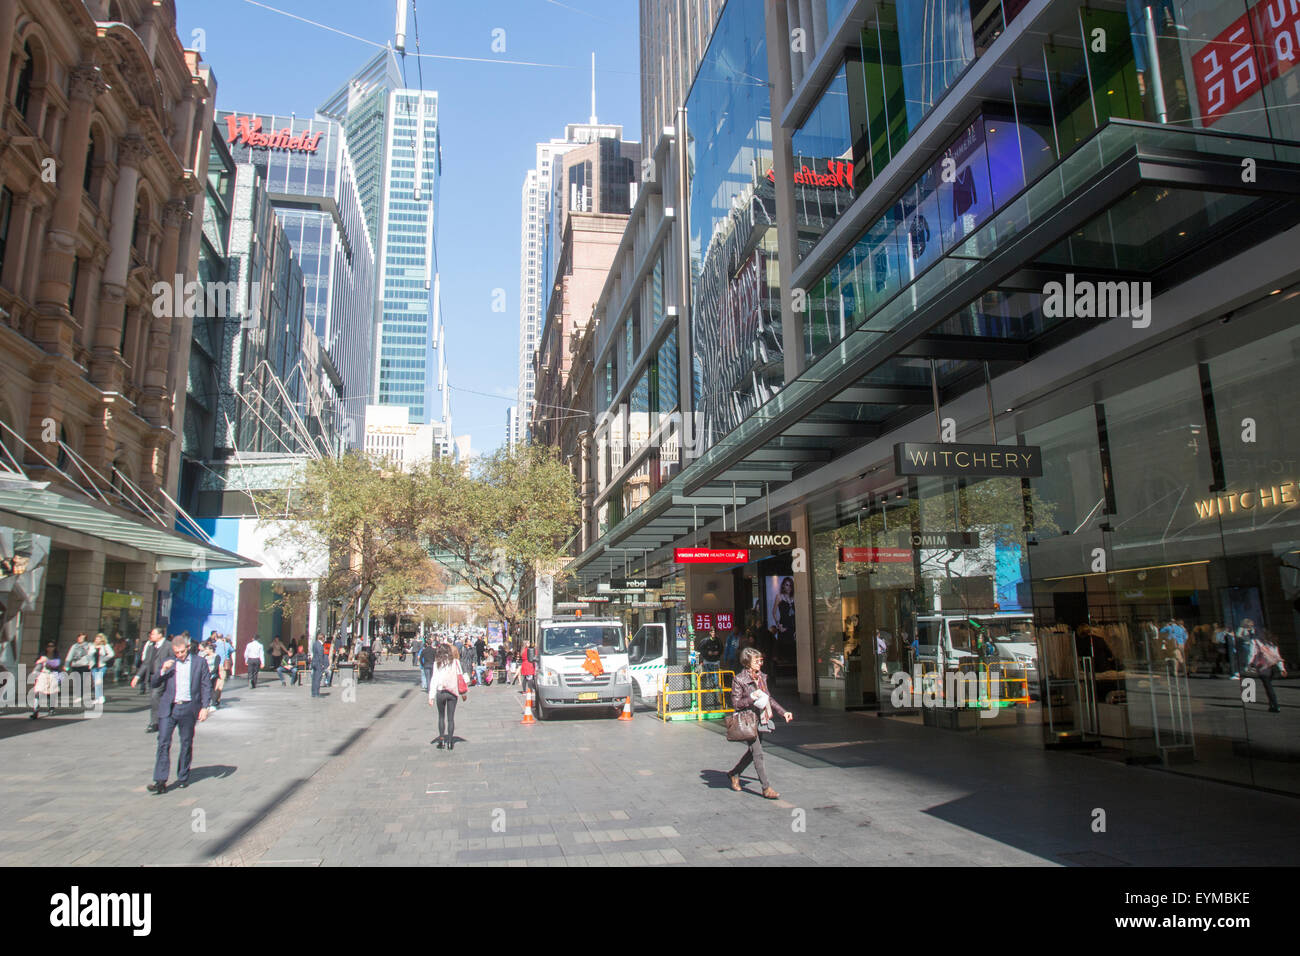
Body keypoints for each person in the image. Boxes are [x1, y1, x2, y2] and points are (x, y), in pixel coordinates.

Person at [147, 634, 213, 794]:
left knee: (186, 742)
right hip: (169, 708)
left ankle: (183, 776)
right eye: (176, 653)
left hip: (189, 708)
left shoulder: (199, 663)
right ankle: (160, 780)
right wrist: (162, 670)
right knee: (163, 742)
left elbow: (206, 685)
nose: (179, 655)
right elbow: (154, 683)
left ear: (188, 648)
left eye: (182, 652)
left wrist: (205, 707)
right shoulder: (168, 663)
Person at [726, 647, 792, 799]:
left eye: (761, 660)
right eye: (757, 661)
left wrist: (783, 712)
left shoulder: (761, 677)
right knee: (758, 753)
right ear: (747, 662)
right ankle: (766, 788)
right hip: (748, 719)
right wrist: (752, 697)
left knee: (753, 752)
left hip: (761, 718)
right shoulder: (739, 679)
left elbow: (768, 698)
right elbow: (736, 703)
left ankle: (734, 773)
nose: (760, 663)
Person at [427, 643, 468, 750]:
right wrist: (463, 693)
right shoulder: (455, 662)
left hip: (441, 692)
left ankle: (441, 740)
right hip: (452, 692)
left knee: (441, 716)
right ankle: (450, 741)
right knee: (451, 718)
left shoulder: (437, 664)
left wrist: (431, 696)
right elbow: (461, 677)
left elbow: (434, 680)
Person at [131, 628, 171, 731]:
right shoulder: (150, 646)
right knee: (154, 700)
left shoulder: (168, 645)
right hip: (151, 677)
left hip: (163, 677)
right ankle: (157, 721)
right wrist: (137, 676)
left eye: (153, 634)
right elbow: (146, 663)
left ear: (160, 635)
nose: (151, 636)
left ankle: (155, 723)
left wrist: (166, 669)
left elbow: (173, 660)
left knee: (155, 697)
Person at [29, 642, 61, 719]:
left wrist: (47, 661)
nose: (50, 648)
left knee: (51, 693)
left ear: (54, 647)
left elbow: (56, 664)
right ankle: (35, 711)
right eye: (49, 646)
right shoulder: (42, 655)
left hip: (53, 675)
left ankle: (51, 708)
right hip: (43, 675)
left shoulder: (56, 655)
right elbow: (37, 663)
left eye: (52, 646)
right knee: (38, 692)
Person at [698, 628, 723, 709]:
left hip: (715, 662)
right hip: (707, 662)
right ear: (709, 632)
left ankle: (717, 700)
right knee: (708, 679)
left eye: (715, 632)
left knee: (716, 681)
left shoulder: (718, 641)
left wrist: (717, 653)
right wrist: (707, 653)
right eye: (712, 632)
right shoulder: (705, 641)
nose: (713, 633)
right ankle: (709, 700)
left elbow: (721, 649)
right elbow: (700, 649)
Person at [65, 633, 91, 704]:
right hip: (75, 665)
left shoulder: (89, 646)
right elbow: (69, 655)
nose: (80, 639)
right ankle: (78, 695)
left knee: (83, 681)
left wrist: (91, 663)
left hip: (85, 665)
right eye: (79, 637)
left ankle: (81, 695)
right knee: (77, 681)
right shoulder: (74, 646)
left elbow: (91, 655)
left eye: (82, 638)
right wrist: (66, 665)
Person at [88, 633, 114, 704]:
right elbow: (89, 655)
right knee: (96, 683)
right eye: (96, 639)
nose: (96, 640)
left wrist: (104, 659)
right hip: (94, 666)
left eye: (98, 639)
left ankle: (101, 697)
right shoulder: (92, 646)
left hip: (102, 666)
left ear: (101, 640)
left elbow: (111, 654)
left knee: (98, 681)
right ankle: (97, 698)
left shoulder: (105, 646)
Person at [310, 631, 327, 697]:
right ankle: (316, 693)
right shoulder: (320, 645)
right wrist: (322, 664)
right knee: (317, 678)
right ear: (322, 638)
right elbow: (320, 655)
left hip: (314, 662)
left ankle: (313, 692)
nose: (324, 639)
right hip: (318, 663)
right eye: (324, 638)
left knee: (314, 678)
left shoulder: (315, 643)